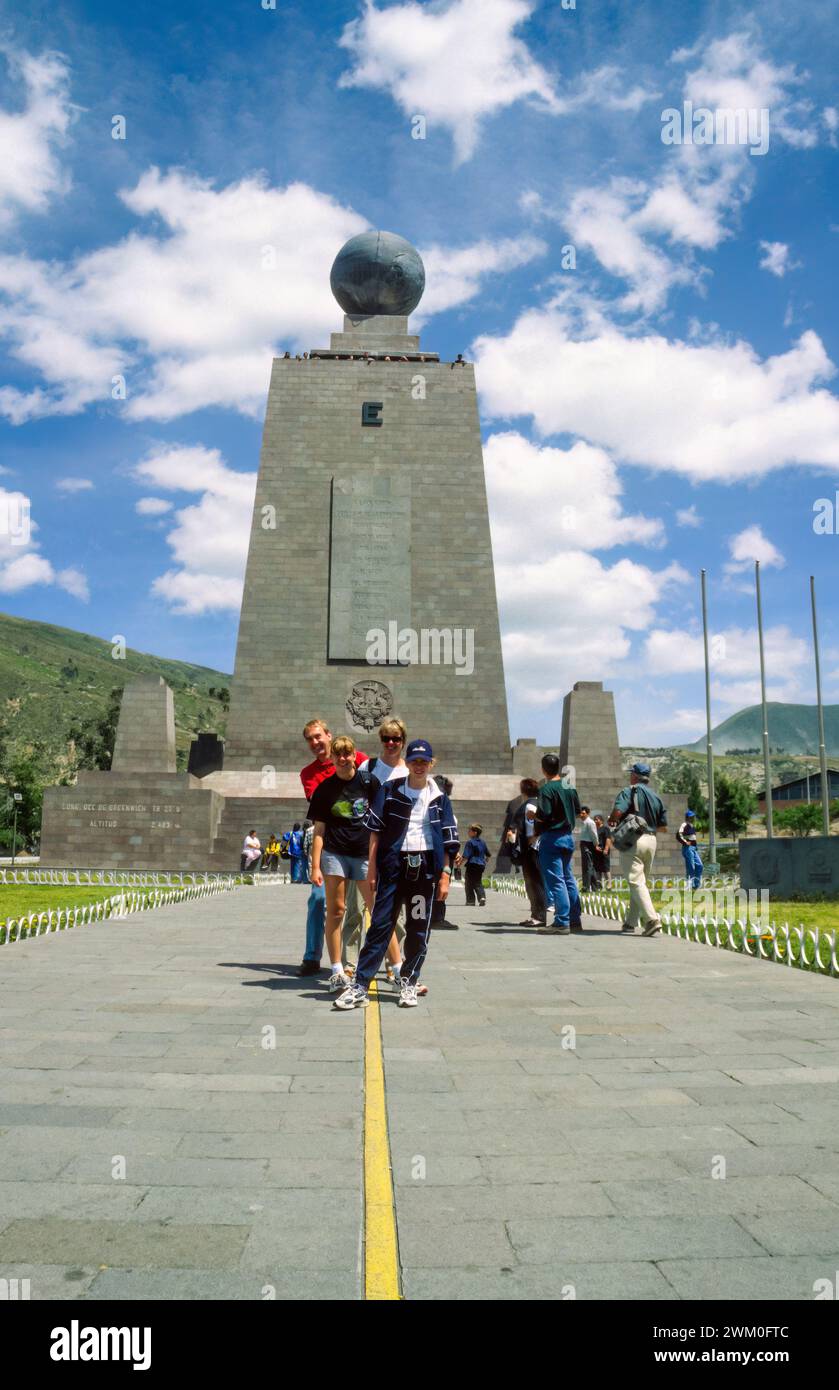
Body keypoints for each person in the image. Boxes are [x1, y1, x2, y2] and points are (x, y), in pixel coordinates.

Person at [333, 739, 459, 1010]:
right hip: (394, 866)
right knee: (380, 926)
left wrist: (445, 875)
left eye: (424, 761)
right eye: (414, 761)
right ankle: (360, 986)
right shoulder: (390, 791)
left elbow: (449, 842)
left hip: (424, 871)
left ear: (431, 764)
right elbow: (375, 832)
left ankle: (409, 982)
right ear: (408, 762)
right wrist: (373, 870)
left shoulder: (439, 798)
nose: (419, 766)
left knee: (416, 929)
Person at [297, 718, 367, 978]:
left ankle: (349, 964)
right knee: (318, 900)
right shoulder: (308, 774)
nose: (315, 743)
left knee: (354, 907)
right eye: (310, 739)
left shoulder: (359, 757)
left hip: (358, 845)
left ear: (329, 735)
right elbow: (322, 814)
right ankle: (312, 956)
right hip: (330, 847)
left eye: (318, 736)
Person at [308, 736, 377, 994]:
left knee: (375, 908)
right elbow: (319, 830)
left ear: (353, 756)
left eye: (347, 754)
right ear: (333, 757)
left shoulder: (369, 783)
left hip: (362, 854)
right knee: (336, 910)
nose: (343, 758)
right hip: (334, 853)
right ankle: (337, 969)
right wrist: (315, 867)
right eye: (338, 754)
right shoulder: (325, 789)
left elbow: (380, 819)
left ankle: (395, 967)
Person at [609, 762, 668, 936]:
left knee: (635, 882)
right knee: (639, 882)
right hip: (651, 840)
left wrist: (612, 820)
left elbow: (618, 811)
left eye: (631, 774)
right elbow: (663, 827)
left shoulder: (630, 791)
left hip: (633, 840)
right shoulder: (656, 797)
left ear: (634, 776)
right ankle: (630, 922)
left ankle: (652, 920)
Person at [533, 754, 582, 935]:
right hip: (568, 837)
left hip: (552, 837)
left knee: (556, 880)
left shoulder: (546, 789)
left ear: (543, 769)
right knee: (568, 879)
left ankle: (561, 921)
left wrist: (533, 816)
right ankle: (575, 919)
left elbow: (543, 814)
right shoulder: (569, 787)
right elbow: (577, 811)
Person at [509, 780, 547, 926]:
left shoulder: (530, 805)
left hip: (531, 849)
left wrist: (532, 839)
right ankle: (536, 914)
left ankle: (539, 916)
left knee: (534, 881)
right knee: (533, 881)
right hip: (533, 847)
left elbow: (531, 825)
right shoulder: (536, 803)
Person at [457, 824, 490, 906]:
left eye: (470, 830)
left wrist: (459, 864)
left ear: (475, 832)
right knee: (478, 881)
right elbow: (488, 854)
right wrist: (485, 860)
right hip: (481, 865)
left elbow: (465, 856)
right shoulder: (483, 842)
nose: (468, 832)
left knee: (468, 883)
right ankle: (482, 897)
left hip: (472, 865)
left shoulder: (470, 842)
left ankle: (470, 901)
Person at [677, 810, 703, 889]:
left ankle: (696, 884)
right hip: (688, 848)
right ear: (687, 817)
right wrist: (685, 842)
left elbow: (693, 838)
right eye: (691, 817)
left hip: (694, 849)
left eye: (693, 817)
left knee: (699, 865)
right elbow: (679, 835)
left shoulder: (692, 825)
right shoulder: (684, 825)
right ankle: (689, 885)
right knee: (691, 867)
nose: (693, 818)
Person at [578, 805, 599, 891]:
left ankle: (586, 887)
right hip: (584, 844)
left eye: (583, 813)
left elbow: (594, 835)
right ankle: (595, 887)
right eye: (581, 813)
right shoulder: (584, 823)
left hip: (588, 845)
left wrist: (596, 844)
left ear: (587, 813)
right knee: (590, 866)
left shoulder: (590, 823)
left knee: (587, 866)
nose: (581, 815)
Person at [593, 814, 612, 889]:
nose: (595, 821)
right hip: (597, 851)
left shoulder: (605, 829)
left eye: (597, 819)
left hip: (604, 851)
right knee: (597, 869)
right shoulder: (594, 829)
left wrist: (606, 849)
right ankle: (599, 885)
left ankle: (609, 885)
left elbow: (608, 839)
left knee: (606, 868)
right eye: (594, 819)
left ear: (601, 821)